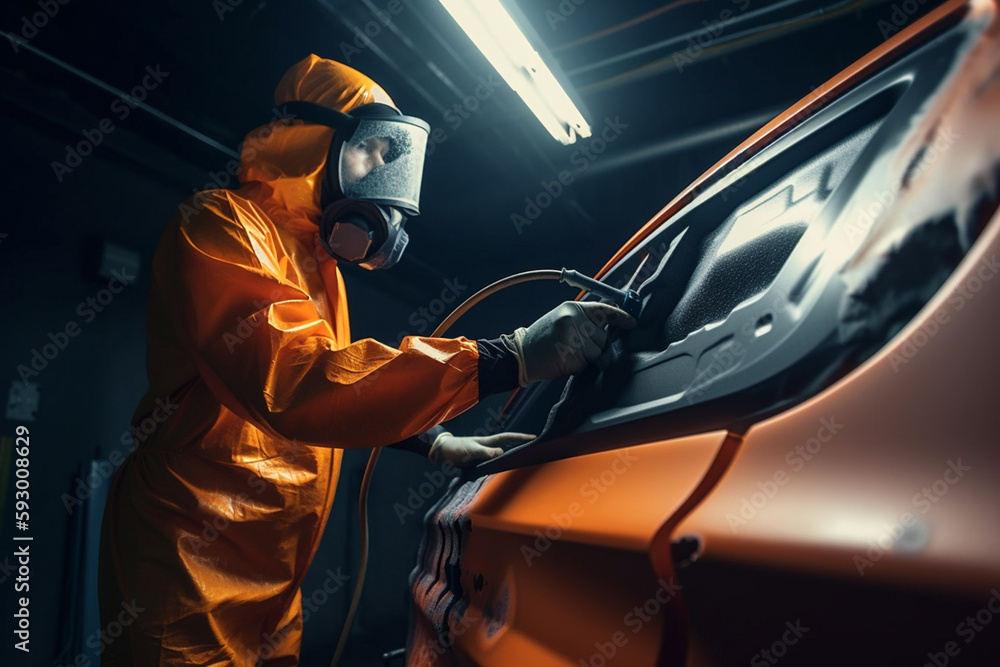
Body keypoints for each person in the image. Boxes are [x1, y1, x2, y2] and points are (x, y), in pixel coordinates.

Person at [97, 54, 634, 666]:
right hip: (189, 559)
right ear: (315, 140)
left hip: (277, 570)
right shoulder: (219, 223)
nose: (384, 172)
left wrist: (433, 442)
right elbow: (295, 381)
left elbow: (340, 384)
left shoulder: (318, 266)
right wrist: (506, 358)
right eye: (372, 151)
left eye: (390, 157)